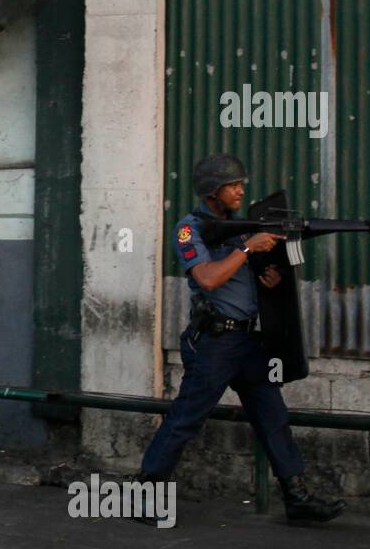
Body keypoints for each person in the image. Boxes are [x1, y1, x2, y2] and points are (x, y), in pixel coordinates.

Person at [137, 154, 344, 524]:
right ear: (212, 191)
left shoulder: (244, 226)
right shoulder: (191, 229)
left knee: (273, 417)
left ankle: (296, 498)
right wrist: (247, 248)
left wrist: (270, 277)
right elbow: (208, 278)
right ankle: (145, 496)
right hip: (215, 342)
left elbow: (248, 276)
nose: (240, 190)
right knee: (186, 419)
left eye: (240, 184)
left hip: (249, 342)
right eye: (233, 185)